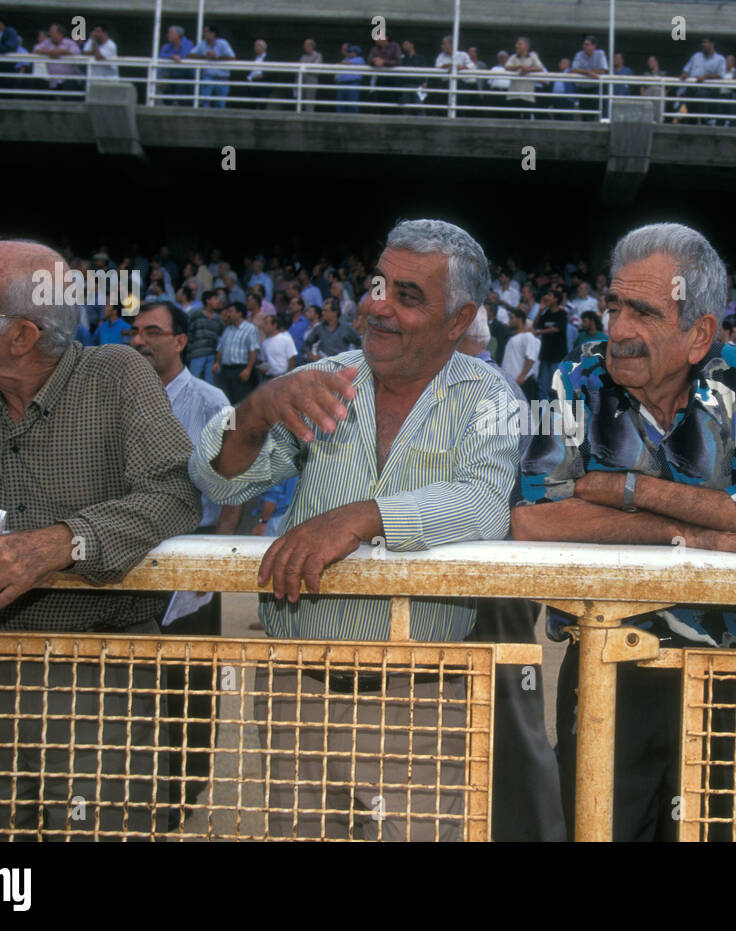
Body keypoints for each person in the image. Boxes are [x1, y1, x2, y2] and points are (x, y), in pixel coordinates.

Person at [187, 220, 518, 840]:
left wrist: (361, 517)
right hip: (299, 687)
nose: (377, 306)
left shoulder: (488, 397)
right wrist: (256, 410)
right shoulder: (324, 380)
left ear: (459, 319)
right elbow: (222, 482)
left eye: (408, 296)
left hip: (427, 698)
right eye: (377, 284)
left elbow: (483, 507)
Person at [0, 240, 201, 839]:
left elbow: (174, 494)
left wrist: (64, 542)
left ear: (21, 336)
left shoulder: (116, 374)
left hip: (98, 673)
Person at [511, 222, 736, 842]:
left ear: (698, 334)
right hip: (604, 662)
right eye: (613, 305)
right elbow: (532, 515)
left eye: (642, 311)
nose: (616, 328)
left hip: (724, 676)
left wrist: (628, 491)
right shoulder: (576, 381)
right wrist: (690, 531)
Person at [127, 300, 239, 813]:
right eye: (134, 331)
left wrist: (213, 559)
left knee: (190, 684)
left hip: (194, 555)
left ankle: (183, 792)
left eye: (152, 332)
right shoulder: (119, 398)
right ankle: (140, 789)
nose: (139, 341)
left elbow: (238, 483)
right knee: (136, 680)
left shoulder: (211, 402)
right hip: (130, 556)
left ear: (179, 342)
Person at [212, 300, 260, 404]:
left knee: (240, 401)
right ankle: (230, 421)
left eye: (230, 311)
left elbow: (254, 350)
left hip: (240, 369)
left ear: (239, 313)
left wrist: (248, 369)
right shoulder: (228, 329)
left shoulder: (250, 329)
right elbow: (221, 348)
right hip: (225, 370)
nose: (227, 314)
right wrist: (217, 362)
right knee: (225, 400)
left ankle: (240, 421)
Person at [189, 24, 236, 108]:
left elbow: (232, 58)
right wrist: (204, 57)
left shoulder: (223, 43)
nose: (204, 34)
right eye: (204, 32)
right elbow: (190, 55)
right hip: (208, 76)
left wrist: (216, 56)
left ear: (213, 33)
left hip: (222, 77)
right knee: (204, 100)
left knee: (220, 103)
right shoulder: (202, 44)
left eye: (207, 32)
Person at [185, 287, 224, 384]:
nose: (218, 301)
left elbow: (221, 336)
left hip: (211, 354)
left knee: (209, 382)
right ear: (208, 300)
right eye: (215, 299)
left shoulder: (218, 318)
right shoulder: (195, 314)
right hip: (197, 353)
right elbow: (187, 330)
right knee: (193, 380)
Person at [500, 307, 540, 401]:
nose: (509, 321)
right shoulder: (512, 338)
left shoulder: (527, 336)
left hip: (523, 382)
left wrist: (522, 376)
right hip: (511, 383)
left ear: (520, 319)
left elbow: (531, 358)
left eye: (512, 318)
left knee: (526, 413)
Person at [157, 25, 194, 104]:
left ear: (178, 35)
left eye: (170, 33)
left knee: (180, 87)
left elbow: (185, 56)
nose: (168, 35)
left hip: (185, 75)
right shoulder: (168, 45)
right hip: (171, 75)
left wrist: (176, 57)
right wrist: (172, 56)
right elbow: (161, 55)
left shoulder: (188, 43)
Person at [258, 311, 298, 380]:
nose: (263, 326)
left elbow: (292, 360)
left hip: (284, 377)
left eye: (266, 323)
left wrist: (288, 378)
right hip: (269, 378)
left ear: (274, 325)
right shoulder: (265, 342)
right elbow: (263, 361)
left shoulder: (286, 339)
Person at [297, 38, 322, 111]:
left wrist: (305, 67)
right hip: (301, 80)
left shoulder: (318, 55)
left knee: (309, 100)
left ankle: (309, 119)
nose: (304, 46)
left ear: (311, 46)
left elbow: (316, 68)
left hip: (311, 80)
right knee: (300, 99)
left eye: (306, 45)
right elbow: (298, 69)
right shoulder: (303, 57)